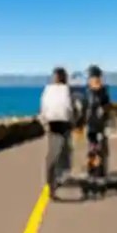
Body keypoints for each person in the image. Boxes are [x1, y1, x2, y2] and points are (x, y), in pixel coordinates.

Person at [39, 67, 76, 199]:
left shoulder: (48, 89)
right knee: (65, 149)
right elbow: (70, 107)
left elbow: (43, 107)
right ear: (64, 77)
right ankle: (60, 175)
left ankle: (51, 181)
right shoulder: (67, 89)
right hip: (63, 121)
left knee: (53, 151)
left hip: (51, 122)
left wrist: (44, 122)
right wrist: (73, 121)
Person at [83, 64, 116, 195]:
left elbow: (108, 107)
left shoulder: (103, 92)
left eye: (95, 77)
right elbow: (85, 108)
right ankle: (92, 172)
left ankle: (100, 173)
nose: (94, 80)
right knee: (93, 149)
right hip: (92, 126)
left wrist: (108, 118)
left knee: (101, 149)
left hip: (100, 126)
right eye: (92, 78)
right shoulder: (88, 92)